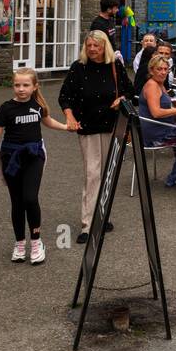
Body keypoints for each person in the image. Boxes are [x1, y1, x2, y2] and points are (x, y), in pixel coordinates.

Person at [0, 67, 67, 265]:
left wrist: (65, 127)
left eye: (26, 85)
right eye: (17, 85)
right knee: (17, 202)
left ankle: (36, 242)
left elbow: (48, 121)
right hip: (11, 158)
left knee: (30, 198)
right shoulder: (5, 108)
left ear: (34, 86)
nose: (21, 89)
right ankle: (20, 243)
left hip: (34, 156)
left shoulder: (37, 105)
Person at [59, 30, 133, 244]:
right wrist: (70, 117)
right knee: (92, 174)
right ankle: (88, 224)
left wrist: (121, 99)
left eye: (96, 46)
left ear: (104, 48)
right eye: (89, 45)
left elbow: (129, 90)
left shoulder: (115, 66)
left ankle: (103, 214)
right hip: (88, 126)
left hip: (112, 126)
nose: (92, 49)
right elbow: (65, 96)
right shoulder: (78, 68)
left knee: (107, 172)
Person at [139, 53, 176, 188]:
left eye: (166, 69)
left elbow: (167, 106)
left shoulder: (159, 84)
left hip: (160, 127)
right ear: (151, 70)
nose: (163, 72)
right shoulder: (152, 86)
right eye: (159, 69)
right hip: (153, 134)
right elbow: (156, 112)